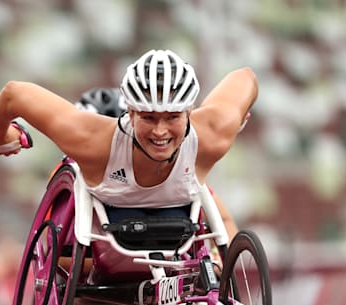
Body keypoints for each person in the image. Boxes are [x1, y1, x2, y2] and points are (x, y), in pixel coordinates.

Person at [0, 50, 256, 305]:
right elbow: (13, 93)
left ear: (189, 112)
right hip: (102, 258)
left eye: (172, 117)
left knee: (205, 200)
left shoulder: (211, 132)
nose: (160, 131)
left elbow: (246, 77)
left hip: (172, 233)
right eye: (149, 118)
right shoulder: (93, 141)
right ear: (130, 113)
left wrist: (223, 266)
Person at [74, 86, 240, 240]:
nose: (158, 132)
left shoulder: (182, 171)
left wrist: (219, 260)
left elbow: (223, 219)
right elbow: (51, 248)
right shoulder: (74, 171)